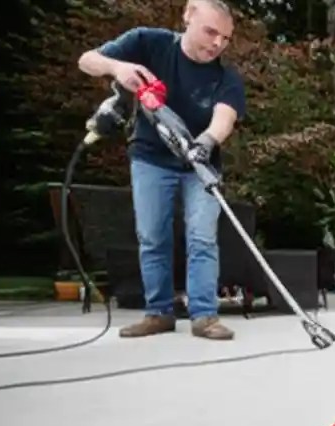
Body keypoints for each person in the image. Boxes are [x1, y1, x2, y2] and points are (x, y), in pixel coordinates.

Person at [78, 0, 247, 340]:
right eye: (210, 32)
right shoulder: (148, 42)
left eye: (225, 38)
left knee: (202, 237)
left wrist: (207, 141)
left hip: (201, 164)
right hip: (150, 159)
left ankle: (204, 317)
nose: (217, 43)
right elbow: (87, 60)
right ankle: (158, 313)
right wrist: (117, 68)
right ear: (188, 15)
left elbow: (225, 114)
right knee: (153, 236)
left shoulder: (226, 76)